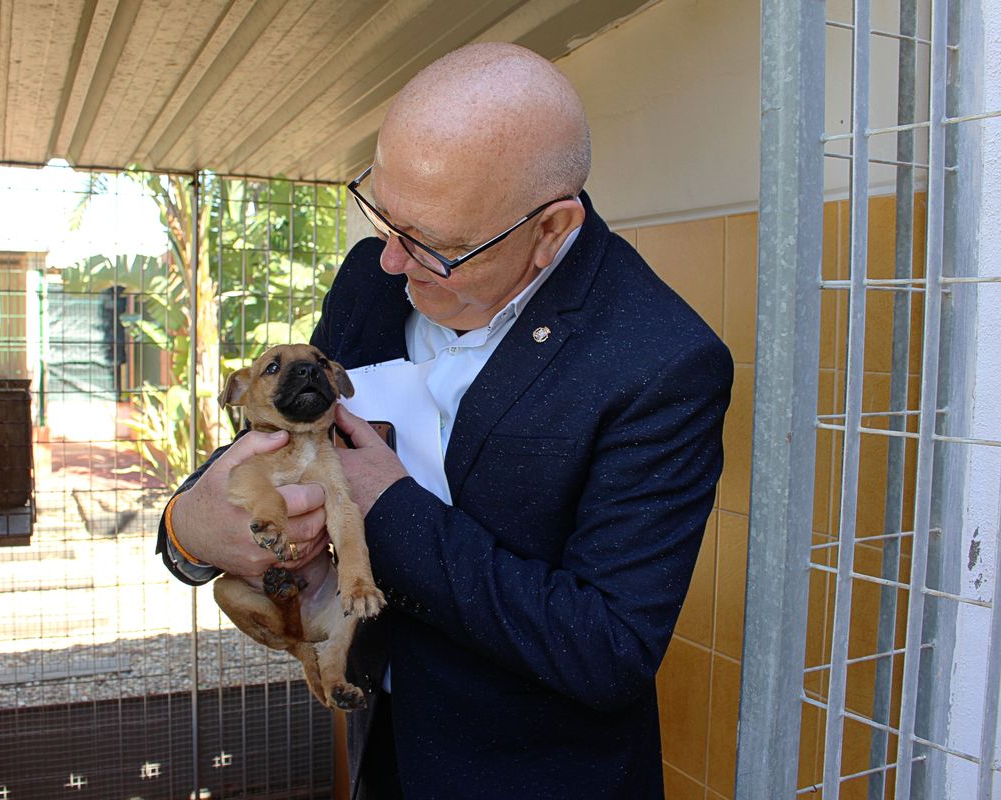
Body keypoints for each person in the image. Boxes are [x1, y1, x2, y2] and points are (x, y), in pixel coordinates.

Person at [157, 42, 733, 799]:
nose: (393, 261)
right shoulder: (371, 277)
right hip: (381, 748)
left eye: (434, 245)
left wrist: (386, 506)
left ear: (551, 230)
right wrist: (188, 530)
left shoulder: (660, 359)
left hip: (528, 776)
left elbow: (608, 650)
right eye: (385, 215)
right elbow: (278, 437)